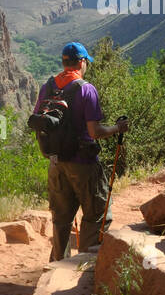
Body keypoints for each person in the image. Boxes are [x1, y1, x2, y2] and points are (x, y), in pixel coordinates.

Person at [33, 41, 129, 262]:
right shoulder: (86, 89)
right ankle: (85, 268)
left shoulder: (47, 87)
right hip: (84, 164)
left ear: (64, 62)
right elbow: (94, 132)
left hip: (56, 163)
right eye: (87, 62)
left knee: (61, 219)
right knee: (97, 215)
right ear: (82, 62)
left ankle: (58, 267)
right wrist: (117, 128)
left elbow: (40, 121)